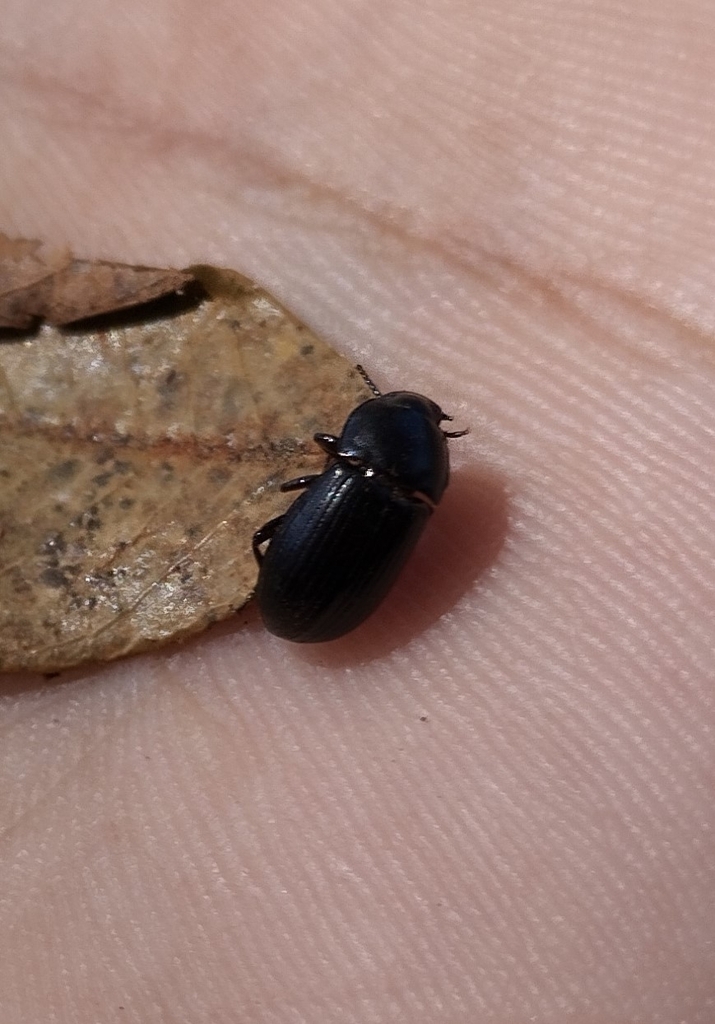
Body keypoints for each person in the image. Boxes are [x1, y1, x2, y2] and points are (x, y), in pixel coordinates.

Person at [1, 0, 713, 1019]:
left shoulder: (349, 472)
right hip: (314, 590)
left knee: (271, 542)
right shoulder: (395, 487)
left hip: (306, 583)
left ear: (357, 450)